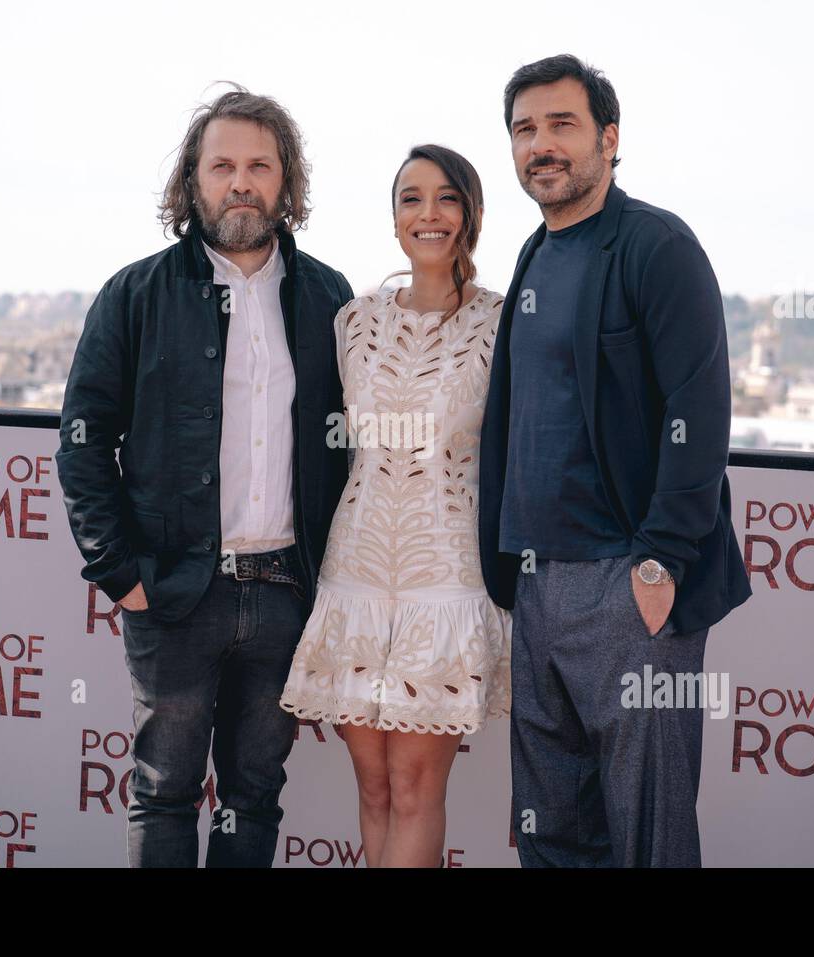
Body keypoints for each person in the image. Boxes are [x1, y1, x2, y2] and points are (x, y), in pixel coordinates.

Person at [55, 85, 353, 868]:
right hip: (175, 594)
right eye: (222, 164)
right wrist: (121, 573)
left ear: (287, 182)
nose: (241, 181)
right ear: (193, 181)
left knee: (253, 795)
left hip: (288, 589)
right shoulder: (134, 295)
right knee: (164, 790)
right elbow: (83, 442)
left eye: (260, 164)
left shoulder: (329, 297)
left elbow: (349, 448)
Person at [478, 54, 753, 867]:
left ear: (609, 136)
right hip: (537, 582)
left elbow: (698, 414)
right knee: (551, 830)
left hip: (628, 583)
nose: (541, 144)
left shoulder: (657, 246)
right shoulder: (534, 254)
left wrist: (661, 561)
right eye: (525, 129)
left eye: (561, 124)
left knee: (647, 836)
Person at [278, 145, 511, 868]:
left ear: (472, 213)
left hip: (446, 580)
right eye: (411, 198)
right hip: (356, 574)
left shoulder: (505, 324)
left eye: (446, 198)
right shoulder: (354, 320)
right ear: (394, 218)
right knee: (373, 786)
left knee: (414, 787)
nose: (428, 214)